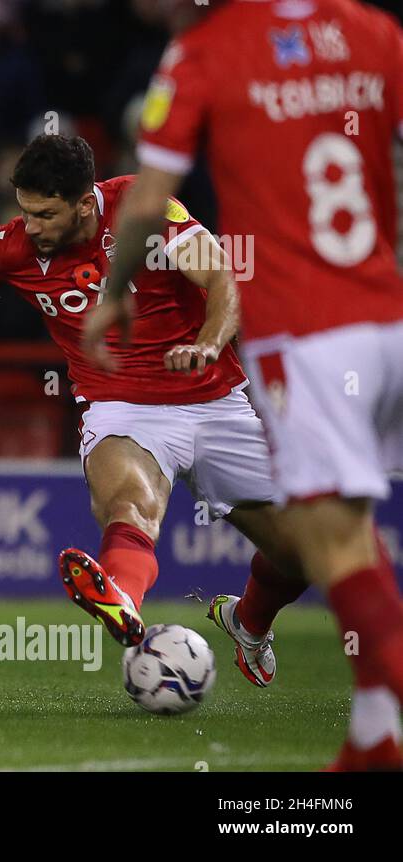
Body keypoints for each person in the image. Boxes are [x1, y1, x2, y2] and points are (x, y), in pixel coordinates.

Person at [82, 0, 403, 769]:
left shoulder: (203, 53)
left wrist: (116, 286)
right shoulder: (372, 30)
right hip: (389, 317)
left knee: (335, 544)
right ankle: (371, 740)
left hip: (309, 334)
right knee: (346, 539)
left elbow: (149, 198)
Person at [0, 133, 308, 689]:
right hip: (120, 406)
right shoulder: (11, 246)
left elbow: (221, 275)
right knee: (131, 505)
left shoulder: (144, 206)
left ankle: (248, 620)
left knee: (305, 552)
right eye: (25, 212)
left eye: (45, 214)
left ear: (86, 203)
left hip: (216, 402)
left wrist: (206, 343)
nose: (31, 226)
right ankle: (124, 607)